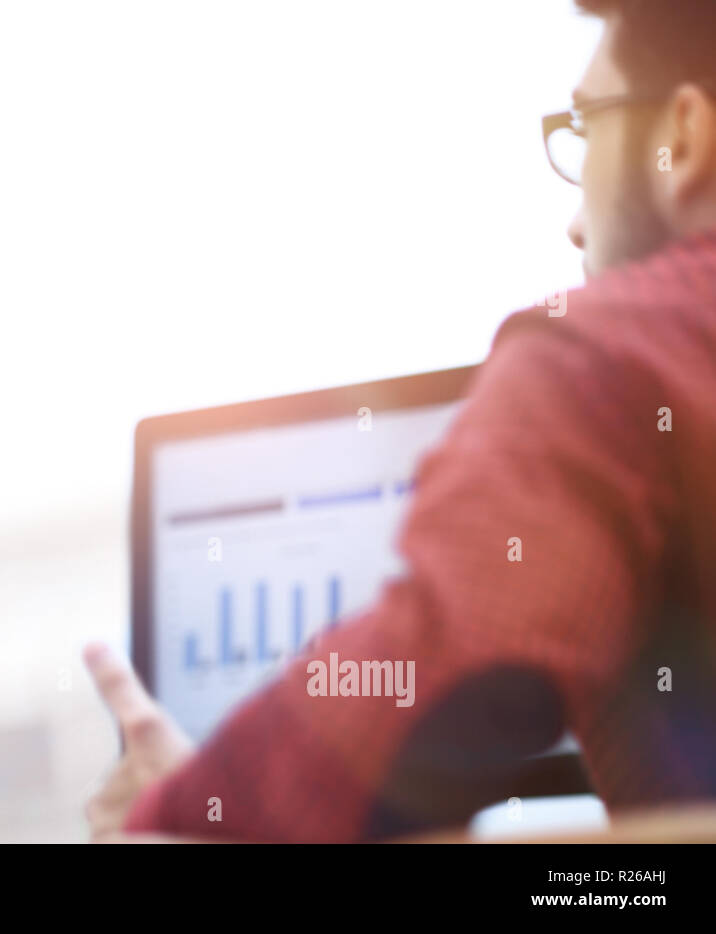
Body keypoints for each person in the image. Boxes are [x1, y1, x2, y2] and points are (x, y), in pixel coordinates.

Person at [85, 0, 716, 841]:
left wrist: (175, 815)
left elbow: (441, 680)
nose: (573, 219)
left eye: (587, 127)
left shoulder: (613, 352)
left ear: (684, 137)